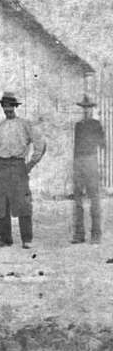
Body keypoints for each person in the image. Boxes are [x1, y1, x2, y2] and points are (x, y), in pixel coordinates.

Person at [0, 91, 46, 249]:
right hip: (1, 166)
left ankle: (26, 239)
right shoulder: (0, 126)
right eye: (4, 105)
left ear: (15, 106)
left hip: (18, 165)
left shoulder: (25, 124)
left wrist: (30, 164)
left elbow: (40, 144)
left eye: (10, 105)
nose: (7, 108)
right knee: (1, 203)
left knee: (23, 203)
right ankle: (5, 239)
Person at [71, 95, 105, 244]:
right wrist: (75, 165)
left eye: (89, 108)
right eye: (84, 108)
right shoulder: (78, 126)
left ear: (92, 109)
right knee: (77, 199)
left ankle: (96, 235)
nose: (86, 110)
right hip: (78, 162)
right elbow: (75, 146)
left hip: (91, 161)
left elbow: (102, 144)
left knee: (94, 199)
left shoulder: (97, 125)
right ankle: (79, 235)